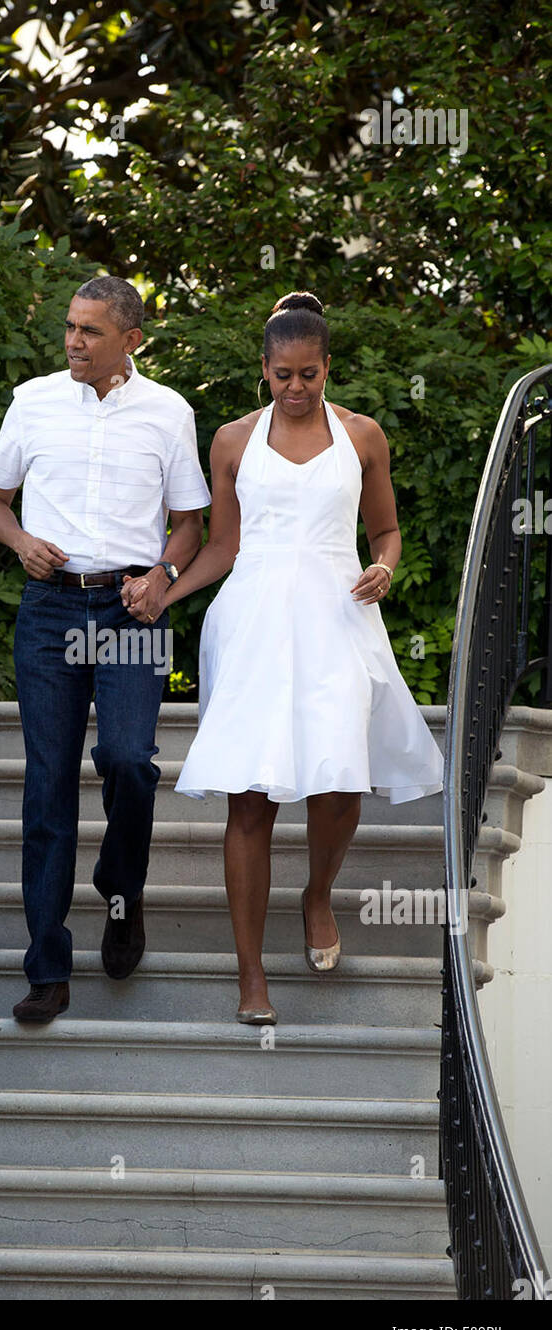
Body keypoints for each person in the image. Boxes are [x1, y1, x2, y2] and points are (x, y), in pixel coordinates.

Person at [121, 291, 444, 1025]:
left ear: (328, 367)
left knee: (338, 786)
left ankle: (319, 891)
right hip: (254, 623)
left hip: (339, 616)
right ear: (262, 369)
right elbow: (224, 546)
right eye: (282, 375)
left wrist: (386, 567)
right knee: (251, 798)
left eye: (309, 375)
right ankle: (251, 976)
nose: (296, 389)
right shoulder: (233, 440)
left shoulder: (364, 436)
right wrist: (165, 591)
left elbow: (387, 532)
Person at [0, 276, 211, 1022]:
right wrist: (18, 543)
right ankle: (48, 969)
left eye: (90, 331)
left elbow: (190, 523)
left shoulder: (170, 412)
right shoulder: (33, 400)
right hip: (49, 610)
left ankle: (121, 889)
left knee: (130, 763)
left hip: (132, 609)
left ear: (131, 341)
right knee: (47, 789)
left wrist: (164, 577)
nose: (74, 341)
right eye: (70, 328)